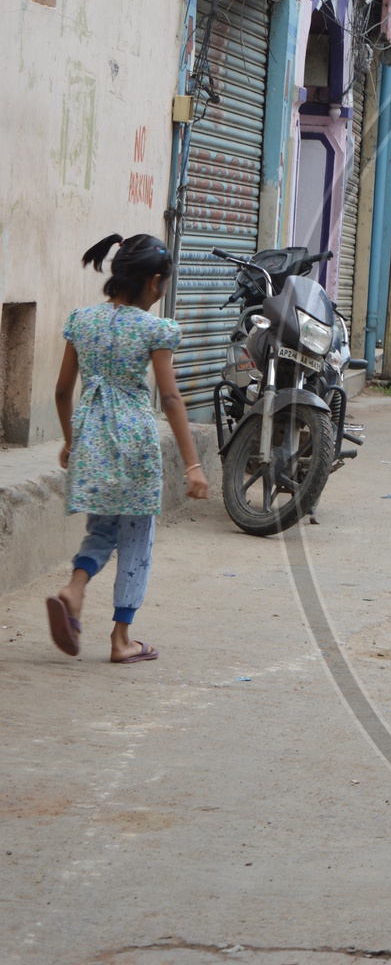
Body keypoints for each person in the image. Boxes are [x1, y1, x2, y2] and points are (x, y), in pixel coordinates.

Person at [45, 234, 210, 664]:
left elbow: (63, 390)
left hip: (92, 441)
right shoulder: (154, 329)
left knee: (102, 529)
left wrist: (70, 440)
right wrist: (193, 464)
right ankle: (121, 639)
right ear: (154, 282)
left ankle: (73, 589)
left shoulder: (82, 321)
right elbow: (171, 398)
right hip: (134, 443)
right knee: (136, 539)